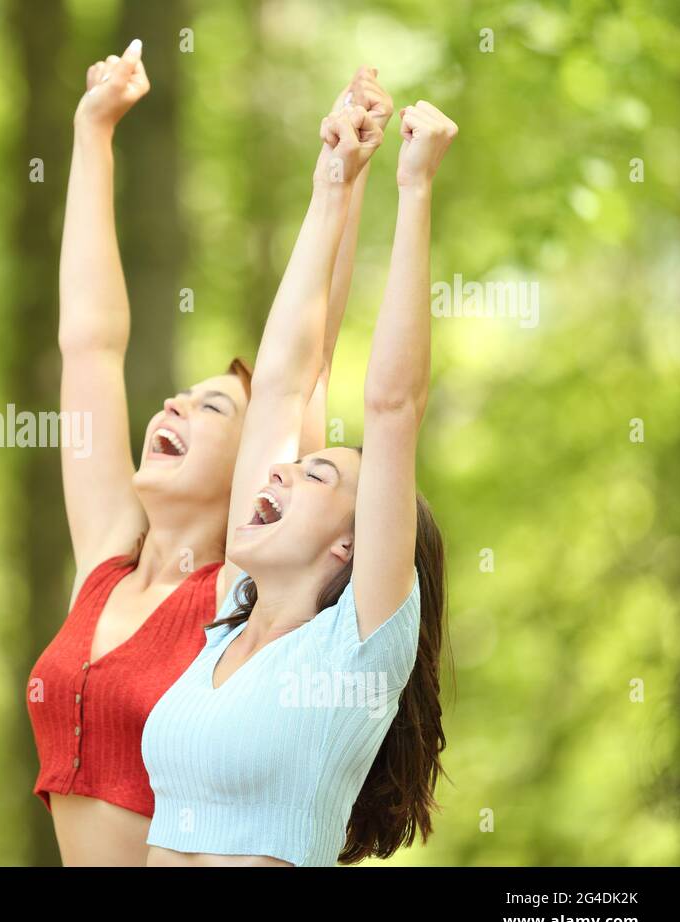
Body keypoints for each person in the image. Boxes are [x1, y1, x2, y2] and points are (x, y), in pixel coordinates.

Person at [25, 40, 383, 866]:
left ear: (255, 466)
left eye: (212, 405)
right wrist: (93, 133)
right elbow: (89, 345)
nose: (173, 403)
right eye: (180, 395)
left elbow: (301, 367)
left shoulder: (236, 598)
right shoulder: (105, 563)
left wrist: (345, 179)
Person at [140, 98, 458, 866]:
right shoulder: (225, 617)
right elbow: (282, 383)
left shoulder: (356, 647)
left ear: (351, 545)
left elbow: (391, 409)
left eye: (318, 473)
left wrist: (414, 192)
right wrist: (333, 182)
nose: (281, 465)